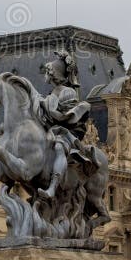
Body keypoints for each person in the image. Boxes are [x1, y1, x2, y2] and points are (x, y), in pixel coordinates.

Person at [36, 50, 92, 198]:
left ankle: (53, 188)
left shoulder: (68, 92)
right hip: (52, 129)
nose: (45, 75)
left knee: (59, 147)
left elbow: (65, 116)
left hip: (67, 131)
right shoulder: (52, 93)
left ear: (54, 73)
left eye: (47, 72)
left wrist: (45, 106)